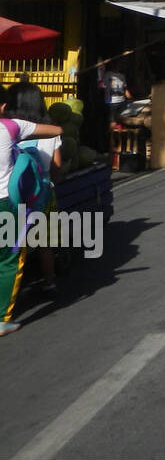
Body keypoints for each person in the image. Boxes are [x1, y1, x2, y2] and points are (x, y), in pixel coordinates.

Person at [0, 84, 64, 336]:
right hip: (11, 201)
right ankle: (2, 318)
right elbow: (57, 131)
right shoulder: (12, 127)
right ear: (3, 107)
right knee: (9, 259)